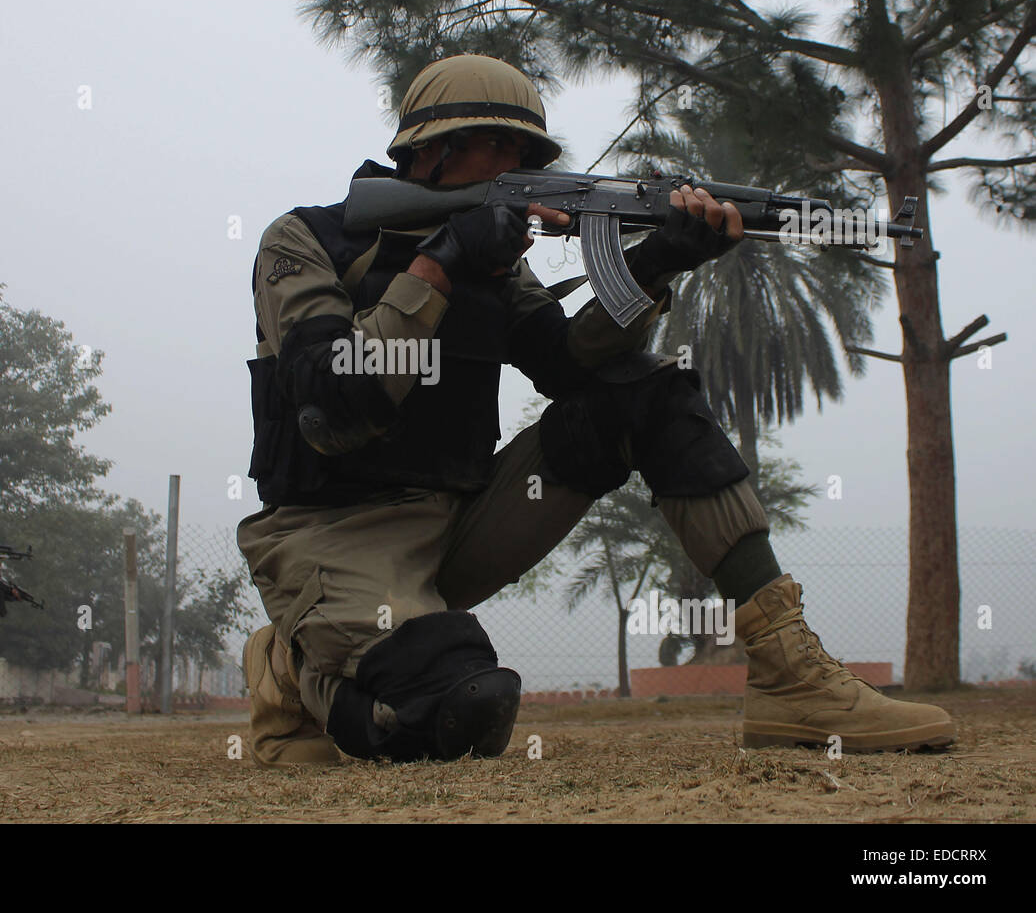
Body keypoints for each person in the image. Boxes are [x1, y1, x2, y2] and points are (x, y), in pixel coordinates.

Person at [237, 53, 955, 766]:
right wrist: (438, 265)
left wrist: (655, 263)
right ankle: (296, 667)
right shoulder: (306, 242)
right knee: (458, 711)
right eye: (497, 145)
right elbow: (333, 399)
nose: (513, 161)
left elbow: (567, 364)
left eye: (526, 152)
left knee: (646, 391)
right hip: (329, 537)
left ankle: (789, 673)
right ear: (430, 151)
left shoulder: (496, 268)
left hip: (454, 526)